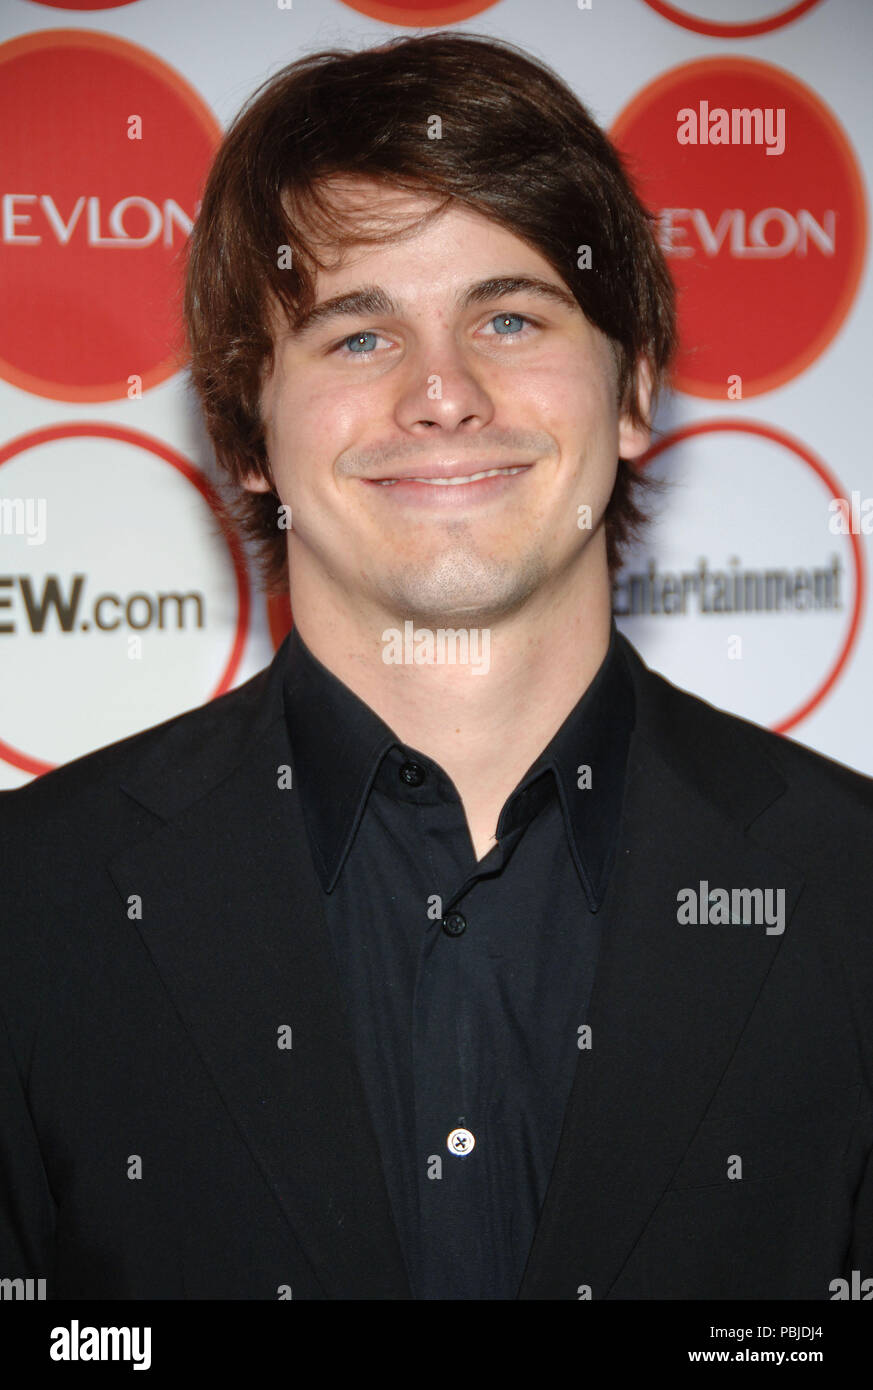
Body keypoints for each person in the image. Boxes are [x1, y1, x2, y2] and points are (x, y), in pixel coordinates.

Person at [1, 31, 871, 1302]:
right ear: (247, 431)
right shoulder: (31, 910)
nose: (443, 392)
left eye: (510, 316)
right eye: (358, 336)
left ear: (633, 392)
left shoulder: (852, 893)